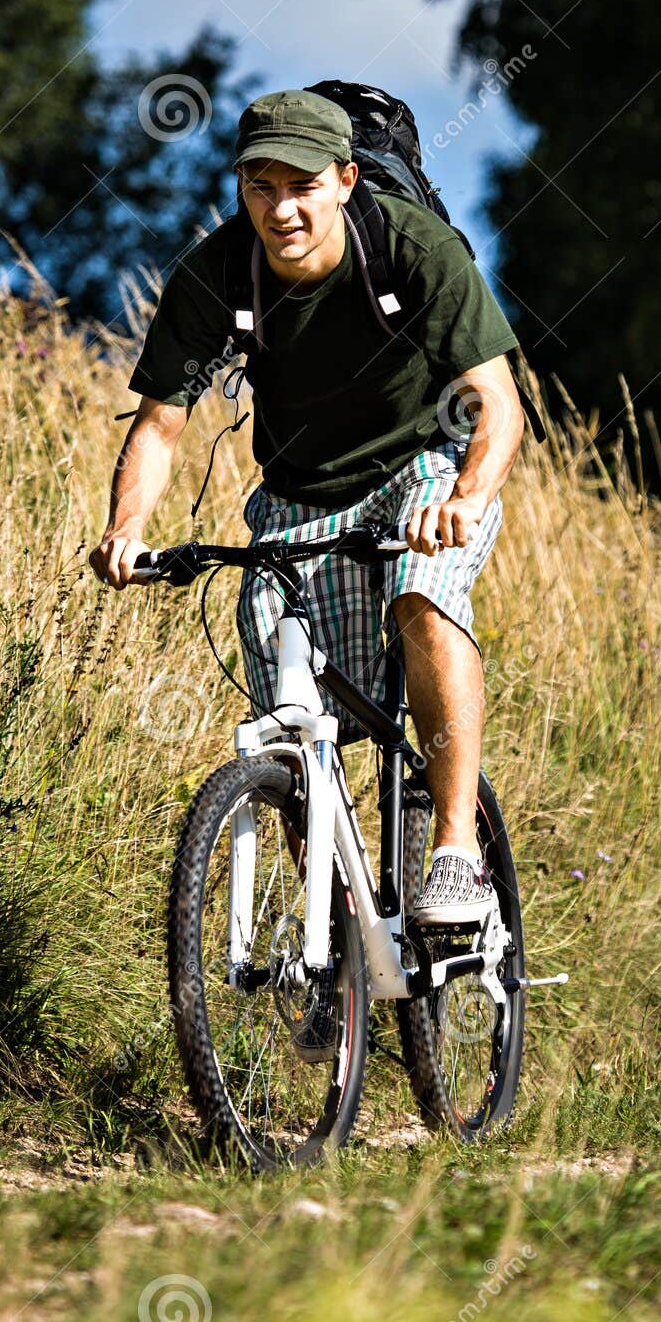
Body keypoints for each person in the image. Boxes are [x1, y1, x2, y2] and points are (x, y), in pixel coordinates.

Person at [90, 88, 527, 926]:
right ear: (240, 187)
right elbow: (158, 425)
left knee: (422, 595)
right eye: (261, 186)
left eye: (303, 185)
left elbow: (496, 403)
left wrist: (466, 499)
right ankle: (334, 946)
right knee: (288, 714)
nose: (282, 208)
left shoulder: (411, 247)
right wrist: (125, 530)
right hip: (296, 494)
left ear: (345, 179)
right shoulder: (216, 273)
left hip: (421, 468)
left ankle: (454, 854)